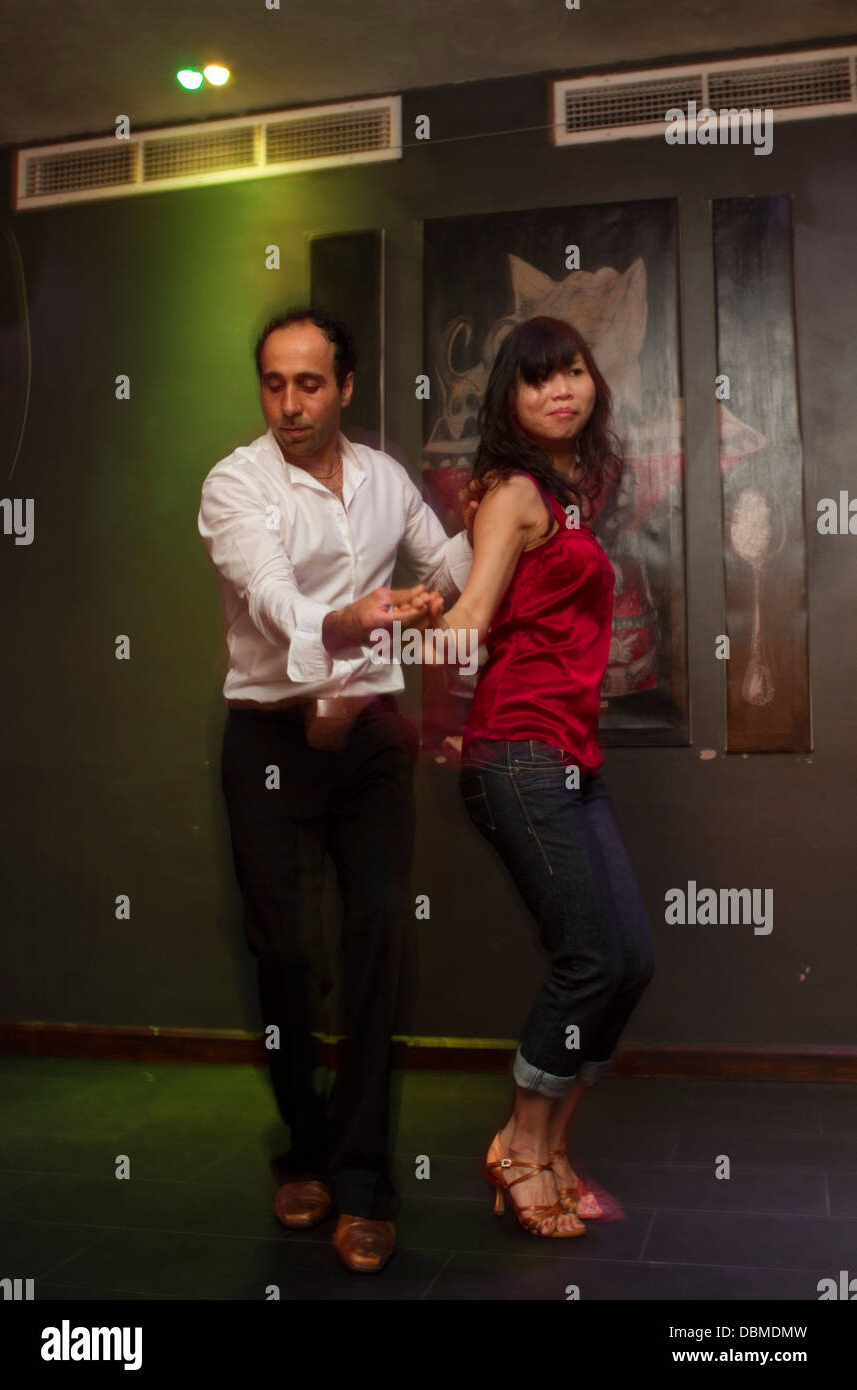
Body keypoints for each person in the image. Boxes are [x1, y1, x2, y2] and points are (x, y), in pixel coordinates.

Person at [197, 307, 473, 1272]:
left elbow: (451, 565)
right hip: (268, 738)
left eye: (309, 384)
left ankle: (363, 1183)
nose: (289, 404)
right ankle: (302, 1152)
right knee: (279, 949)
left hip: (367, 744)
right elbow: (271, 597)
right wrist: (349, 620)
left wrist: (456, 582)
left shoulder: (388, 481)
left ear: (344, 387)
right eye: (273, 383)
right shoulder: (236, 484)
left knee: (378, 936)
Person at [414, 315, 655, 1238]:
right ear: (511, 402)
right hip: (517, 750)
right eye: (537, 379)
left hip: (568, 755)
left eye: (575, 372)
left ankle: (551, 1145)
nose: (562, 390)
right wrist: (427, 631)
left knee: (629, 960)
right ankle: (520, 1145)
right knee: (591, 957)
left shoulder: (575, 493)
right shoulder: (514, 494)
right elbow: (474, 610)